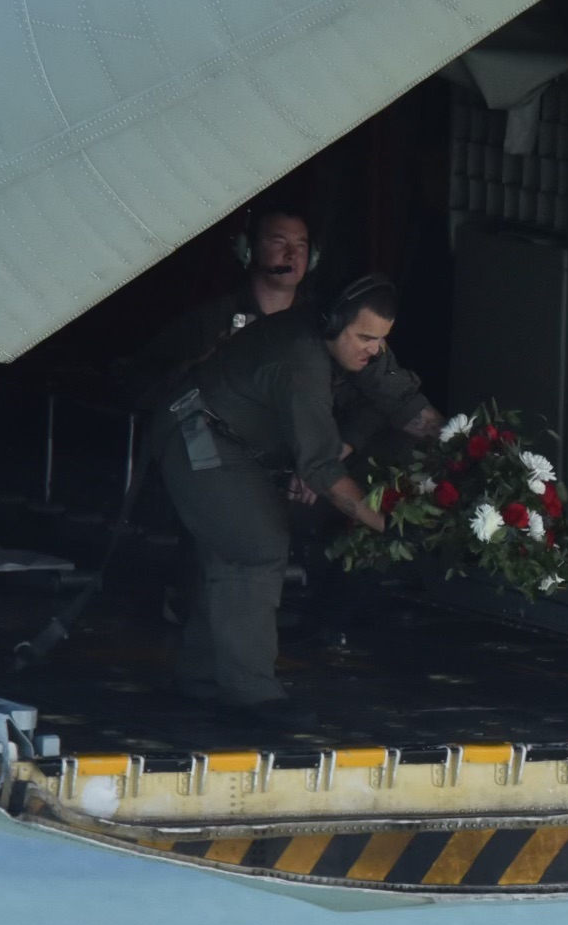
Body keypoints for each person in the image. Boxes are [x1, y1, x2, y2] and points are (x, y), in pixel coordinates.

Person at [159, 275, 406, 708]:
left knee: (234, 550)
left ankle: (200, 677)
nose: (374, 349)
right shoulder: (301, 361)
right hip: (196, 433)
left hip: (224, 438)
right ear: (333, 324)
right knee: (256, 546)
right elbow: (322, 469)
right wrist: (389, 524)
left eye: (382, 340)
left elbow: (402, 399)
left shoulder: (338, 344)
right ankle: (251, 692)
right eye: (365, 337)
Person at [129, 208, 314, 411]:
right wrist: (199, 368)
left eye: (301, 246)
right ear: (248, 249)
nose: (292, 255)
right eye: (279, 242)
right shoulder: (210, 319)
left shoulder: (313, 327)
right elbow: (139, 382)